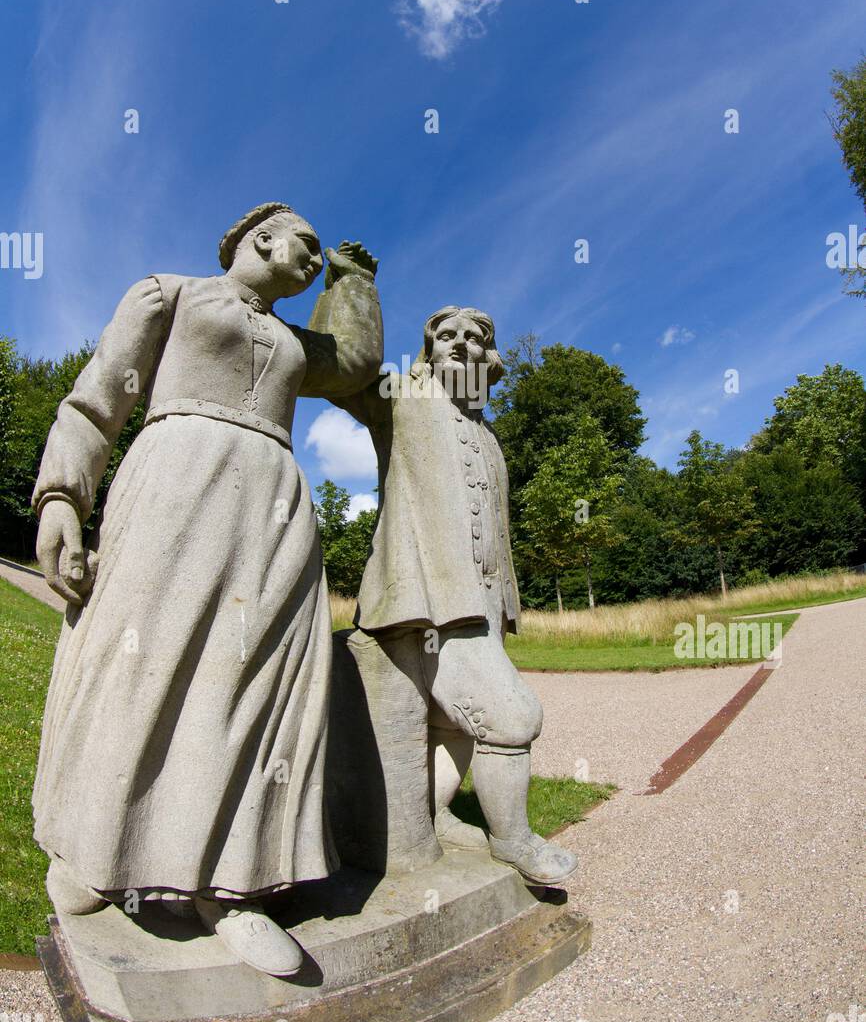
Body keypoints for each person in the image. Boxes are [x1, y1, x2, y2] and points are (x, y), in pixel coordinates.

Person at [32, 203, 382, 975]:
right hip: (173, 487)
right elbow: (98, 398)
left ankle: (233, 888)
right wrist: (62, 496)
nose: (314, 261)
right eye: (309, 245)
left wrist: (356, 278)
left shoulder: (296, 342)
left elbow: (355, 361)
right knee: (135, 667)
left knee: (254, 690)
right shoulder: (169, 294)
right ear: (261, 234)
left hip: (274, 512)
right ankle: (92, 847)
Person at [332, 305, 578, 885]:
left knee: (452, 726)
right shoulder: (401, 398)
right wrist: (352, 290)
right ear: (427, 350)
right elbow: (346, 372)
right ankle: (513, 839)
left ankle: (436, 816)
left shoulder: (487, 434)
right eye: (445, 335)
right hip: (427, 605)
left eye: (475, 337)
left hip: (483, 604)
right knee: (511, 717)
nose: (461, 344)